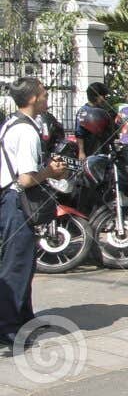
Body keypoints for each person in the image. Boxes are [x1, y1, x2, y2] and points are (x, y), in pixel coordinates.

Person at [1, 77, 67, 346]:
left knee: (25, 262)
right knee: (16, 265)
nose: (47, 96)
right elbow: (26, 179)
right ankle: (8, 328)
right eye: (43, 93)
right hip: (17, 202)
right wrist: (51, 172)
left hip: (9, 199)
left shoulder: (11, 123)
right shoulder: (26, 131)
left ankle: (24, 316)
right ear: (31, 99)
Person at [75, 82, 116, 159]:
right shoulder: (83, 111)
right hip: (90, 150)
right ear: (95, 96)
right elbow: (79, 134)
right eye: (102, 96)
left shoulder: (103, 110)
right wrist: (81, 152)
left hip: (104, 149)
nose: (104, 98)